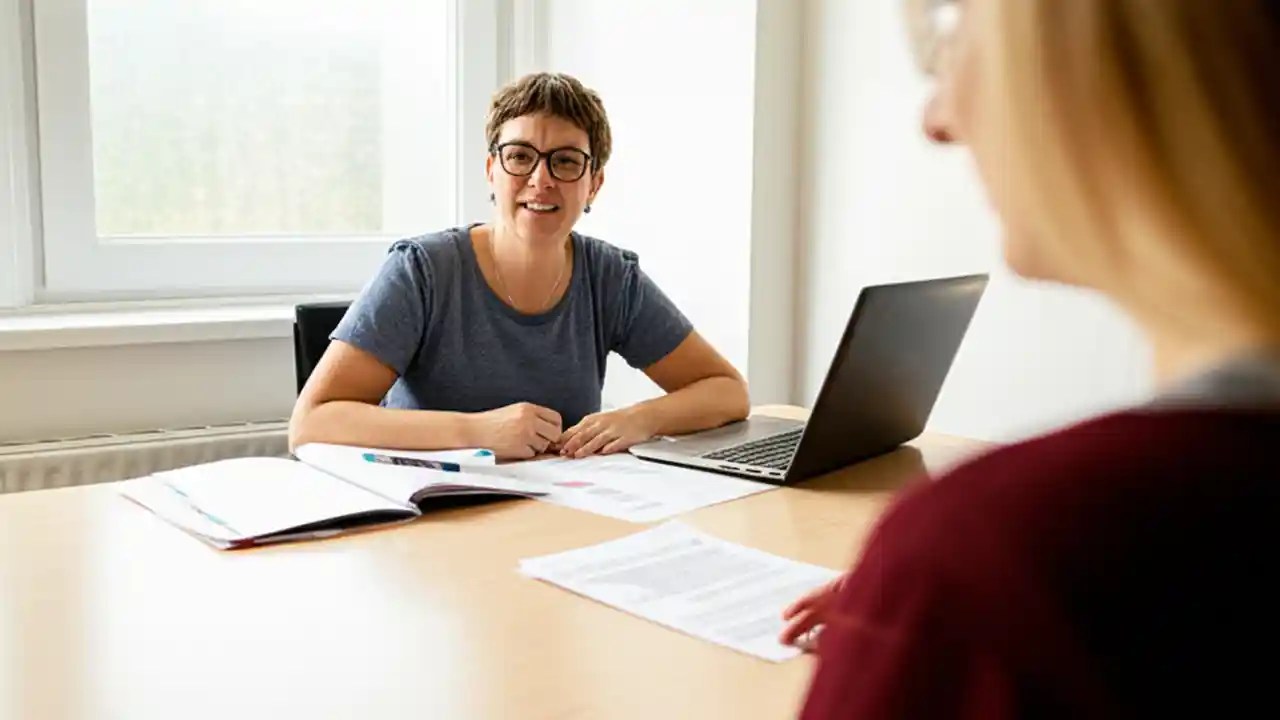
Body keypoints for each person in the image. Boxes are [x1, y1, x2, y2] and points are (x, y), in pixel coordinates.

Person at [784, 0, 1280, 716]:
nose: (938, 120)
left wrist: (948, 604)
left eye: (954, 40)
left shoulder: (1012, 561)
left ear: (1102, 68)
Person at [289, 72, 748, 460]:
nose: (540, 179)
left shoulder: (611, 278)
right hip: (426, 520)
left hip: (554, 514)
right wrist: (475, 433)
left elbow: (727, 391)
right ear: (492, 169)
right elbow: (311, 423)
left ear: (594, 185)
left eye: (566, 161)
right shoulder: (422, 271)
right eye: (520, 156)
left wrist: (638, 419)